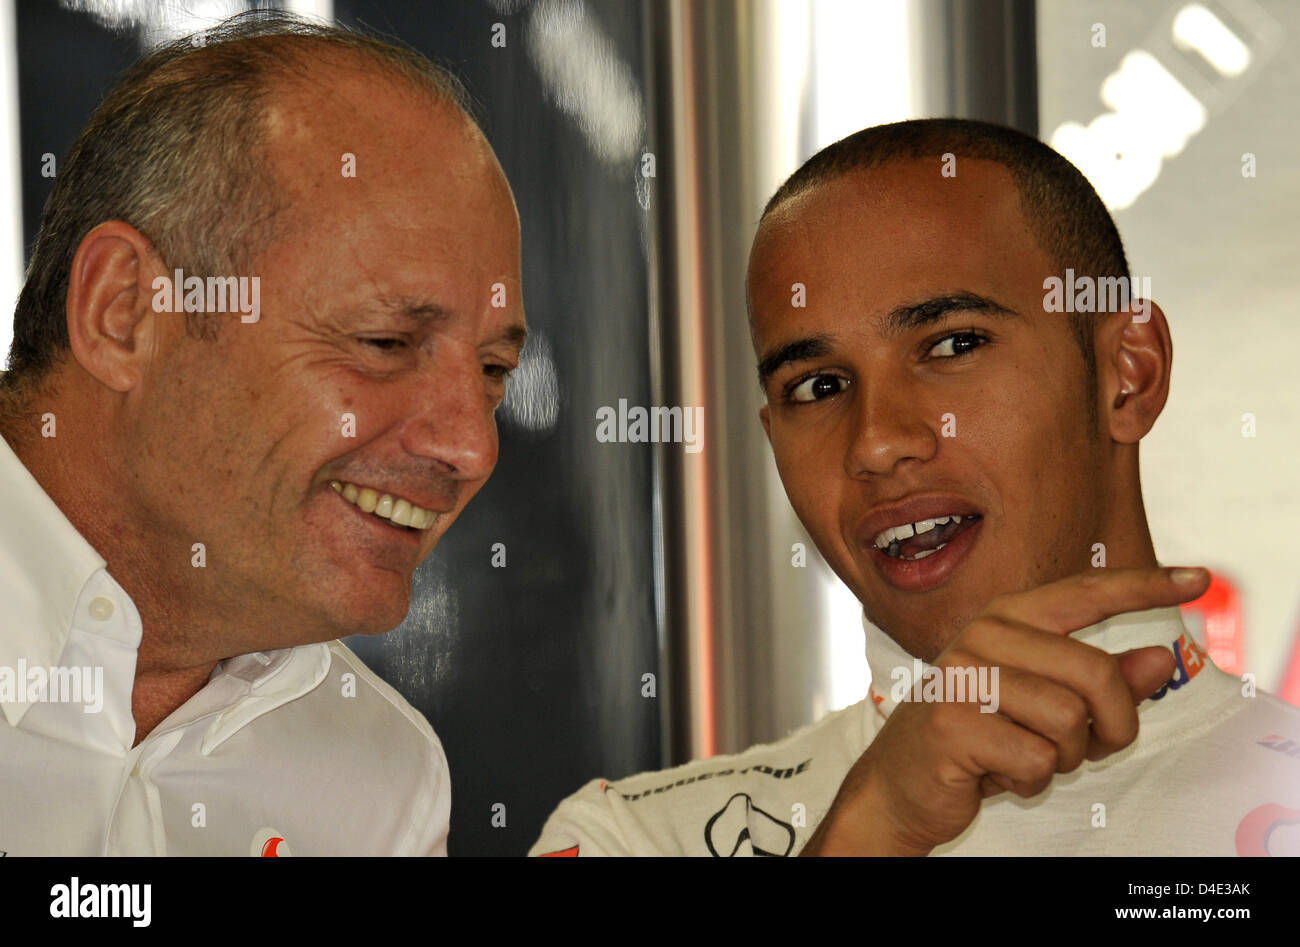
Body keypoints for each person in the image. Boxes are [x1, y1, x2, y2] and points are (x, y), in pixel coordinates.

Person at [530, 118, 1299, 857]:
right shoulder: (633, 838)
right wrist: (871, 832)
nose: (876, 440)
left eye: (953, 343)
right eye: (818, 385)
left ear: (1129, 374)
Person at [0, 13, 526, 855]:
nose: (471, 447)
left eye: (495, 371)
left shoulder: (386, 780)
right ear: (125, 312)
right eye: (385, 343)